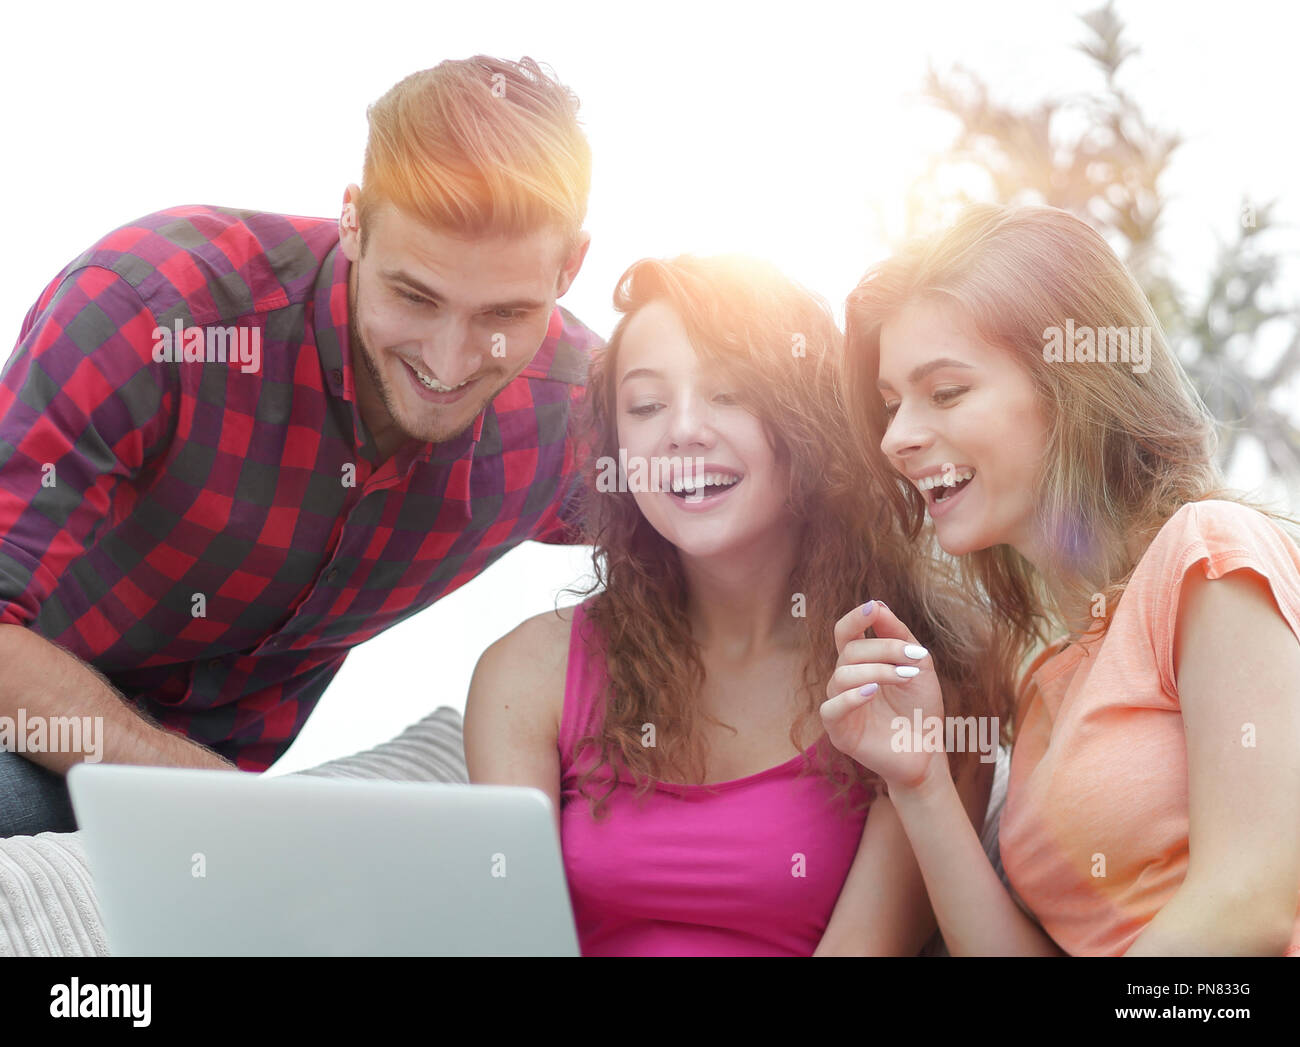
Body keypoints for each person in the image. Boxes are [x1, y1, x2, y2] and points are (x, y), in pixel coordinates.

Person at [0, 55, 601, 838]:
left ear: (570, 268)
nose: (450, 364)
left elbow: (747, 542)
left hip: (224, 818)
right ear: (353, 221)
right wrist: (221, 799)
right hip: (30, 740)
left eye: (506, 315)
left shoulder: (577, 411)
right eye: (413, 296)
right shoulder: (151, 312)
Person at [464, 253, 1009, 956]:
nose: (681, 430)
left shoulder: (913, 679)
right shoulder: (526, 674)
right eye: (647, 405)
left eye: (727, 393)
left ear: (809, 423)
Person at [825, 203, 1300, 955]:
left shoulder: (1208, 551)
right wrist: (921, 783)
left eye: (945, 392)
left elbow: (1251, 902)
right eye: (889, 406)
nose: (896, 437)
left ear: (1070, 384)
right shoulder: (1045, 679)